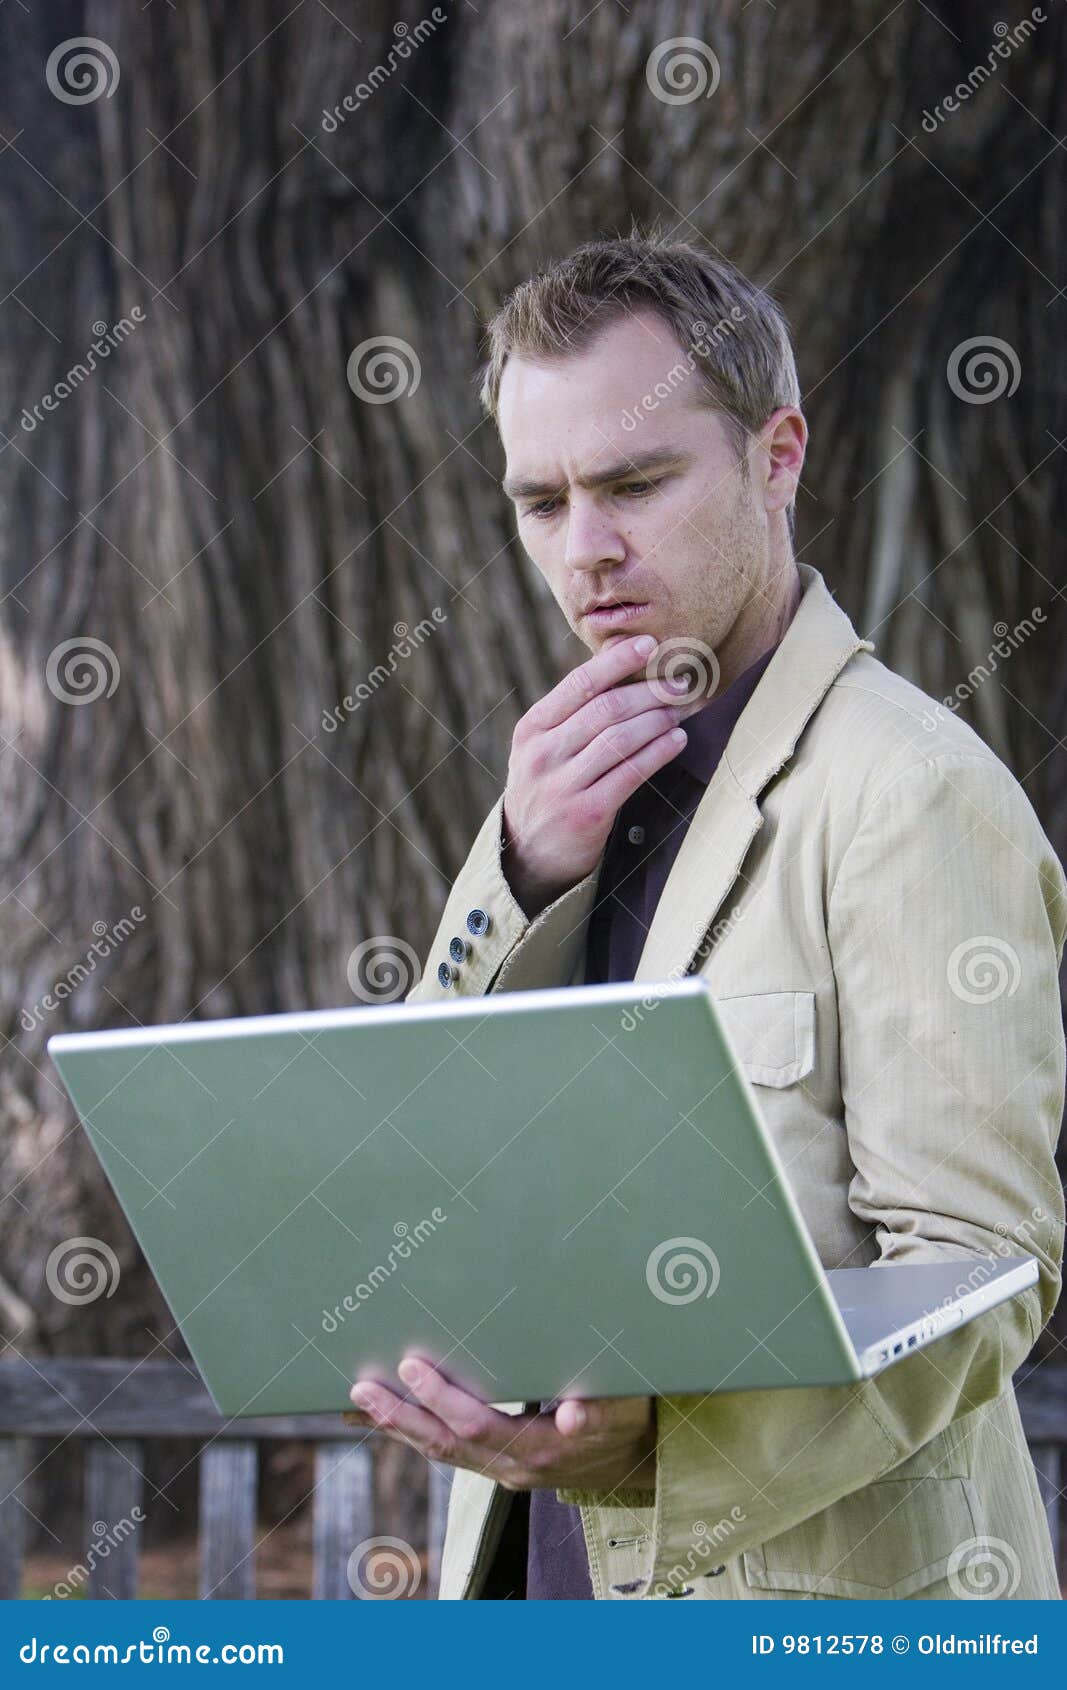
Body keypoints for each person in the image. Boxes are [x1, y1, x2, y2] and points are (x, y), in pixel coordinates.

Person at [345, 233, 1066, 1601]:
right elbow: (411, 1145)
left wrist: (671, 1433)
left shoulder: (911, 794)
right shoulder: (552, 801)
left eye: (634, 482)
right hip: (524, 1591)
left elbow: (985, 1277)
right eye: (541, 501)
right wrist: (519, 871)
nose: (586, 552)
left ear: (776, 454)